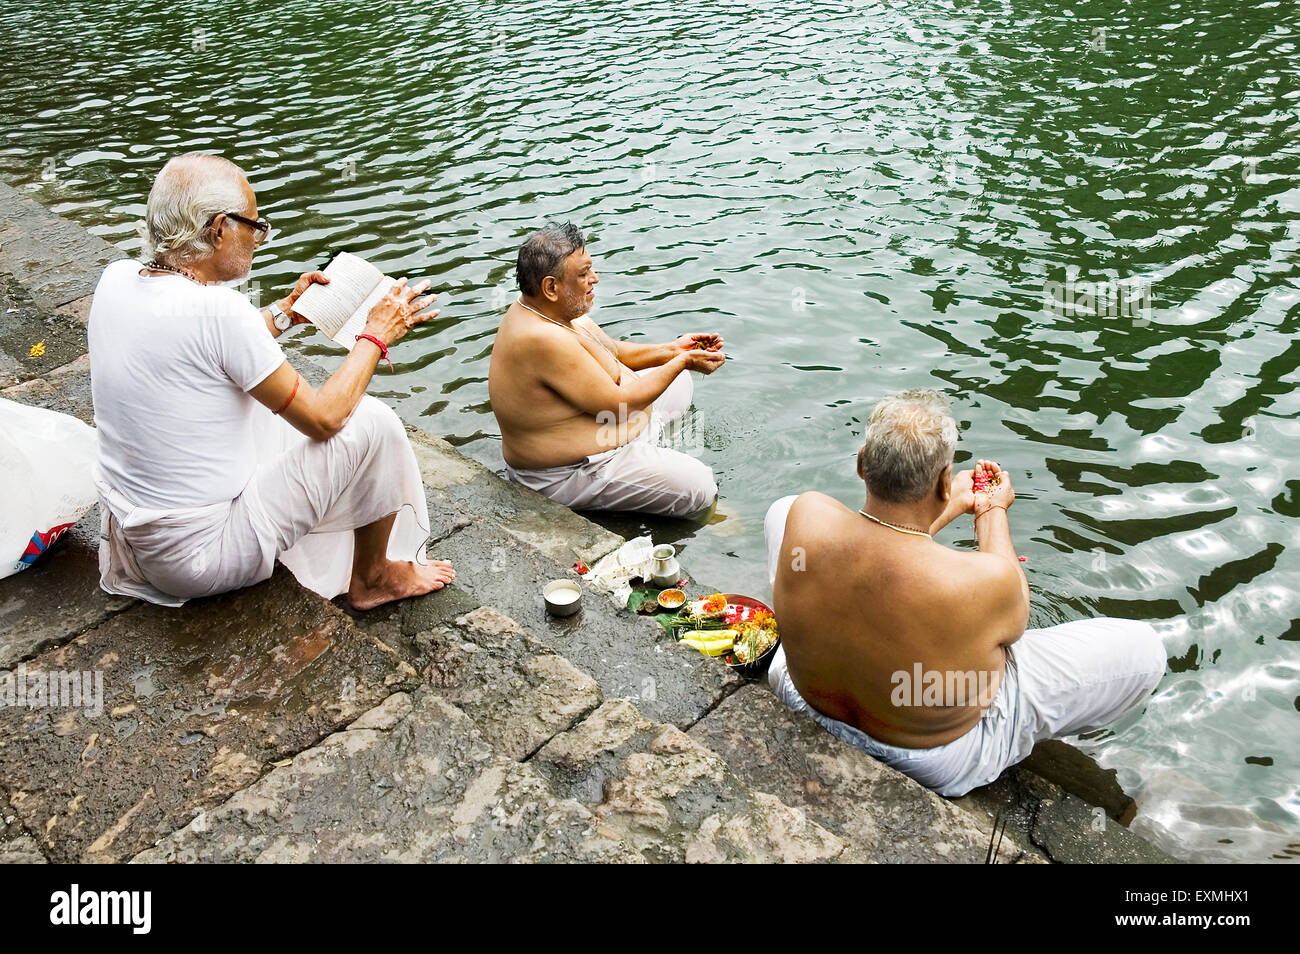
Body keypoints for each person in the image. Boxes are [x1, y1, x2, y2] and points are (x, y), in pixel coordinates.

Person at [88, 152, 455, 610]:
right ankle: (374, 575)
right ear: (219, 228)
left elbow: (205, 349)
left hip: (135, 535)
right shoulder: (219, 312)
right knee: (374, 422)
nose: (260, 238)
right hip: (201, 557)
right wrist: (375, 337)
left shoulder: (118, 278)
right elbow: (324, 420)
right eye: (254, 226)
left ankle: (366, 562)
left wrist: (287, 312)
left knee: (264, 409)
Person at [764, 388, 1166, 797]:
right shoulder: (980, 583)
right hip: (933, 756)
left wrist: (943, 509)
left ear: (862, 463)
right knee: (1146, 650)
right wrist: (991, 512)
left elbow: (880, 552)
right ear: (943, 481)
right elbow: (1015, 614)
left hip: (803, 698)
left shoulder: (809, 514)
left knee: (782, 510)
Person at [488, 222, 725, 518]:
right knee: (700, 488)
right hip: (571, 471)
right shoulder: (540, 339)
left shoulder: (548, 310)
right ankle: (658, 470)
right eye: (584, 273)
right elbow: (620, 406)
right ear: (551, 287)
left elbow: (615, 351)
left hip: (616, 431)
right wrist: (682, 362)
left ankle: (652, 456)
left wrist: (675, 350)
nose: (594, 279)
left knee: (680, 382)